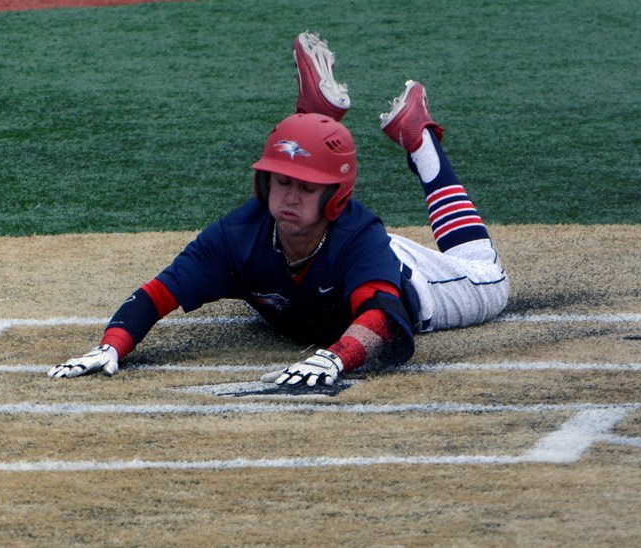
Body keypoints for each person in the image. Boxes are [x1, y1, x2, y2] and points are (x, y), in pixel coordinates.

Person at [48, 32, 509, 387]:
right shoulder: (238, 234)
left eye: (306, 188)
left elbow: (382, 318)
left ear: (336, 197)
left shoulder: (359, 233)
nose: (288, 198)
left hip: (417, 280)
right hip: (329, 280)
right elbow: (159, 292)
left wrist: (336, 355)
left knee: (488, 276)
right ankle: (312, 123)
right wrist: (113, 343)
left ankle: (420, 142)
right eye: (280, 181)